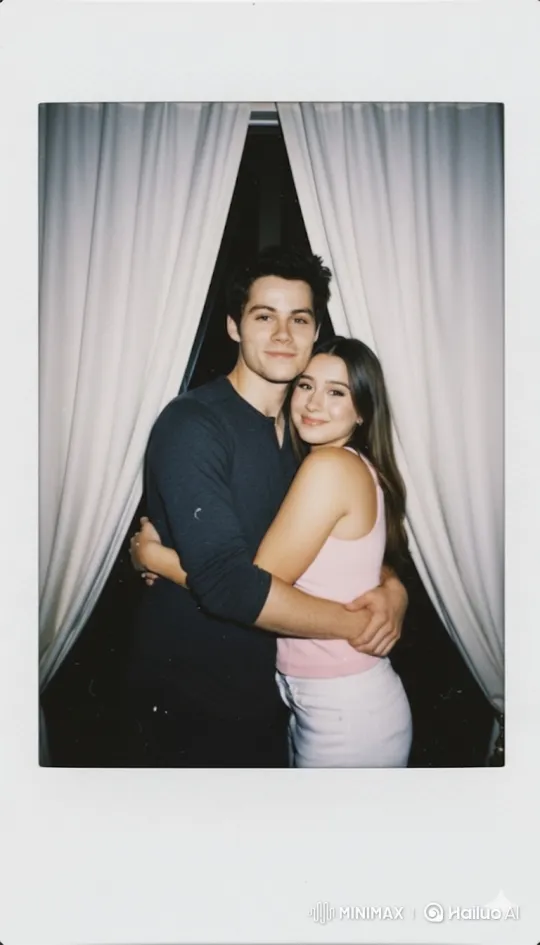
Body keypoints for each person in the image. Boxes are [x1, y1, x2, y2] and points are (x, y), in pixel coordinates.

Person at [127, 247, 408, 767]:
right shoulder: (194, 425)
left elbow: (339, 552)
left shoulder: (305, 439)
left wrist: (392, 589)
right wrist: (356, 624)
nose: (283, 334)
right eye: (264, 317)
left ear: (315, 330)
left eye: (298, 319)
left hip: (275, 694)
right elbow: (229, 584)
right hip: (195, 692)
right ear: (234, 326)